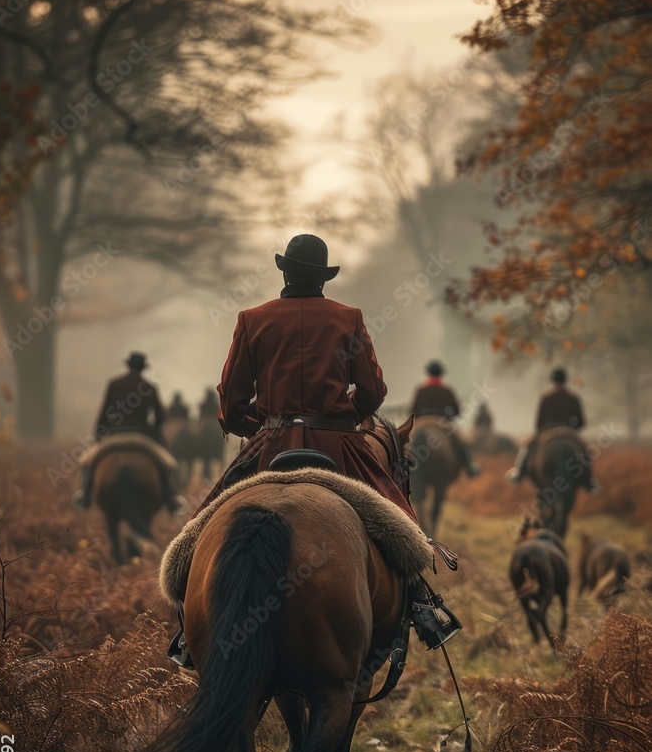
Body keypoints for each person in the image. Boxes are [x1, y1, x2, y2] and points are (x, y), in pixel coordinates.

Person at [193, 233, 462, 650]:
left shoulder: (253, 318)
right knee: (401, 524)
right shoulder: (347, 317)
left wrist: (259, 427)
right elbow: (374, 393)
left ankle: (187, 632)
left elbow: (230, 401)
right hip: (339, 446)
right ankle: (422, 606)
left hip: (271, 445)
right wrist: (344, 417)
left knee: (201, 527)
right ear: (324, 277)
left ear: (284, 270)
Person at [72, 352, 185, 513]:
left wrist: (98, 435)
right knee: (168, 465)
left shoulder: (114, 384)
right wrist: (151, 431)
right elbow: (161, 417)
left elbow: (104, 412)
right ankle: (173, 500)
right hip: (141, 436)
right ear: (142, 368)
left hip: (114, 435)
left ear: (128, 366)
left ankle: (84, 495)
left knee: (88, 463)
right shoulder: (149, 387)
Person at [506, 367, 598, 490]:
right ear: (565, 380)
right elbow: (581, 422)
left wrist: (544, 430)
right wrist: (571, 429)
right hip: (568, 432)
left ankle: (518, 473)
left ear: (552, 380)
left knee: (526, 447)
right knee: (585, 451)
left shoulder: (546, 397)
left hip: (547, 432)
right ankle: (589, 481)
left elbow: (539, 423)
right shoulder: (573, 398)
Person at [409, 361, 480, 477]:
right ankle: (470, 466)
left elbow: (412, 411)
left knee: (404, 442)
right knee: (463, 442)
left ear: (428, 373)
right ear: (441, 374)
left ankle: (395, 467)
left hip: (422, 422)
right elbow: (457, 411)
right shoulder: (447, 391)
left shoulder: (420, 391)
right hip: (442, 423)